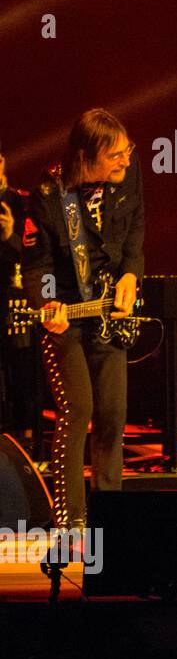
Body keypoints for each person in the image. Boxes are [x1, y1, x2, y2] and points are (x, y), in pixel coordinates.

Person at [22, 110, 143, 530]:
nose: (125, 163)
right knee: (79, 410)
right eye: (114, 156)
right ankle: (70, 521)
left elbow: (135, 233)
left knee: (112, 414)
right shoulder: (47, 192)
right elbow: (37, 265)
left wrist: (131, 274)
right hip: (68, 318)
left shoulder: (129, 173)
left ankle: (110, 519)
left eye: (127, 153)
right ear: (85, 157)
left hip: (112, 313)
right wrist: (47, 304)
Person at [0, 140, 38, 445]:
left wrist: (11, 234)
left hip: (14, 298)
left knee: (21, 369)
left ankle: (26, 442)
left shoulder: (20, 202)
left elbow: (35, 255)